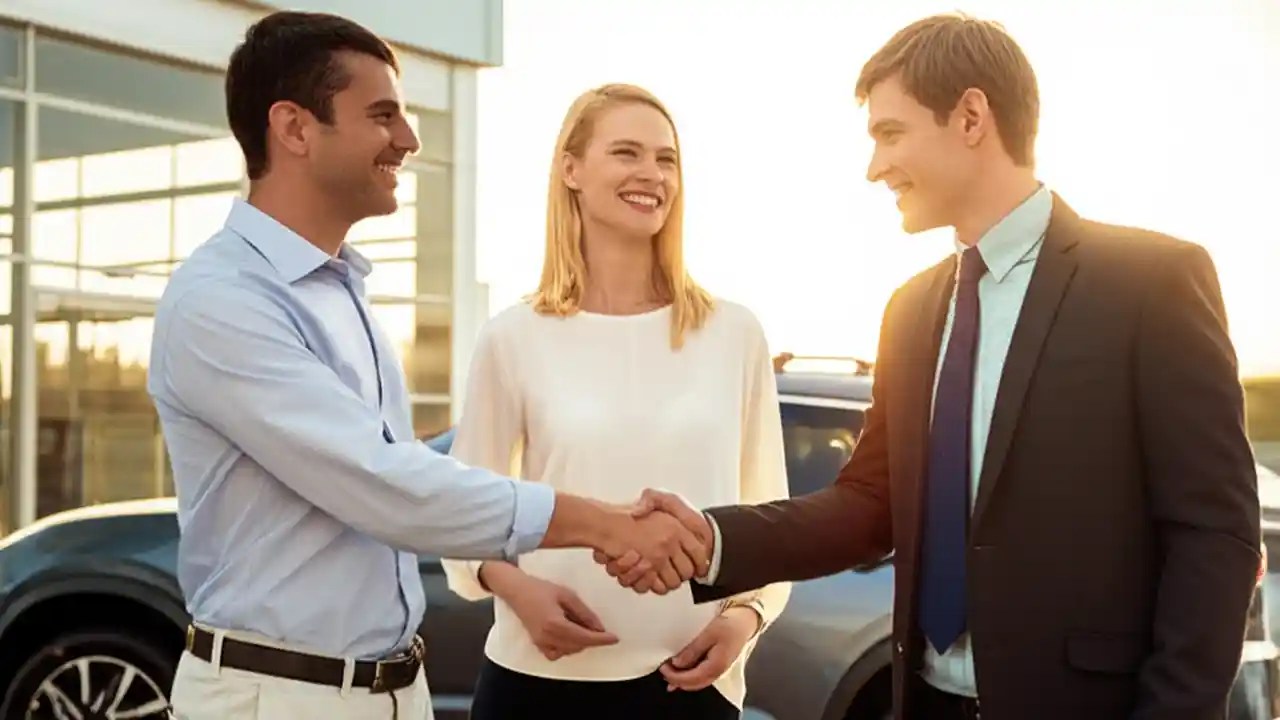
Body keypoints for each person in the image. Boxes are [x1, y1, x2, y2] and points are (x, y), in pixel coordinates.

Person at [610, 13, 1261, 720]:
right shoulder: (911, 310)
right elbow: (869, 505)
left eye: (891, 134)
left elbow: (1214, 535)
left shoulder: (1151, 283)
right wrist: (712, 538)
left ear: (971, 117)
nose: (875, 166)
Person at [150, 14, 708, 720]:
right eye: (382, 116)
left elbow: (400, 476)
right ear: (293, 129)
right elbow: (386, 486)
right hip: (282, 699)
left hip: (388, 691)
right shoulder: (222, 303)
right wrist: (605, 525)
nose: (409, 141)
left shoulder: (339, 291)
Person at [439, 84, 791, 720]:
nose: (651, 175)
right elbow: (466, 514)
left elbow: (771, 517)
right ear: (570, 170)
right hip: (535, 682)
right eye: (626, 153)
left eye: (667, 158)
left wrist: (745, 620)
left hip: (690, 686)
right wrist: (517, 591)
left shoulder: (735, 333)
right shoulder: (514, 336)